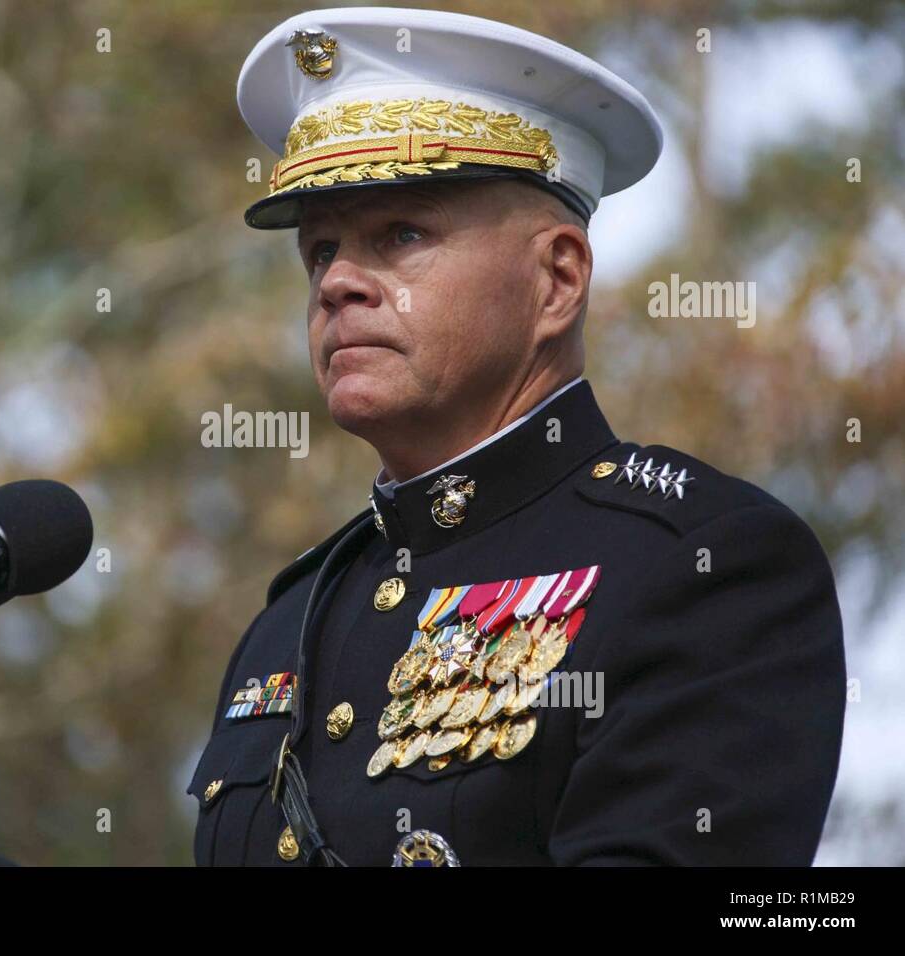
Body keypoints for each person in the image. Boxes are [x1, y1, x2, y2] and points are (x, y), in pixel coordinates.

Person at [189, 7, 845, 866]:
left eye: (403, 234)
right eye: (320, 251)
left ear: (558, 279)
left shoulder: (703, 565)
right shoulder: (291, 621)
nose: (338, 283)